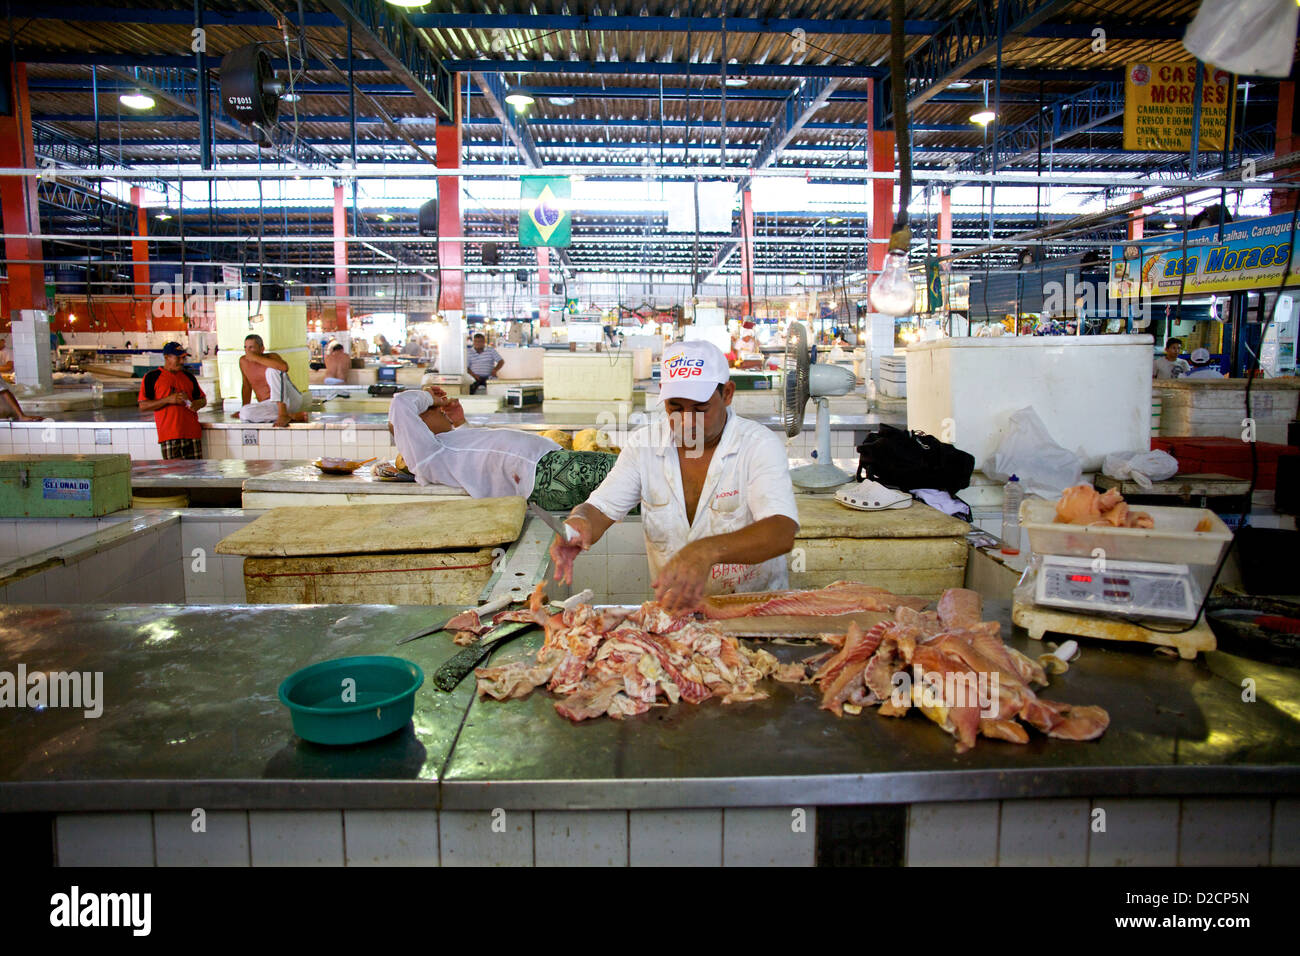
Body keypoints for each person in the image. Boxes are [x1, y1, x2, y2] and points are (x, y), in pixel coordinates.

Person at [548, 340, 800, 614]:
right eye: (675, 407)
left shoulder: (757, 445)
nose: (687, 420)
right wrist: (579, 522)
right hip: (676, 621)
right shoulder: (644, 445)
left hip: (750, 617)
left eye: (700, 408)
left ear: (727, 393)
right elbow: (599, 508)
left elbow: (781, 531)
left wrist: (707, 551)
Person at [387, 386, 617, 506]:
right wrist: (429, 397)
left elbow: (475, 456)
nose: (441, 408)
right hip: (549, 473)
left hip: (554, 465)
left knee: (639, 484)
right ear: (419, 425)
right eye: (434, 410)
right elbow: (400, 403)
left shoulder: (448, 447)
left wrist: (459, 421)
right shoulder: (428, 457)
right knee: (638, 474)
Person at [138, 341, 206, 458]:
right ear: (166, 357)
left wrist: (195, 404)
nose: (181, 362)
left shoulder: (188, 376)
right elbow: (143, 406)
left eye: (183, 358)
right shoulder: (152, 377)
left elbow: (202, 399)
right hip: (169, 435)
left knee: (197, 474)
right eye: (178, 358)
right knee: (174, 474)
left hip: (192, 434)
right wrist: (168, 400)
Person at [236, 334, 308, 426]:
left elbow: (284, 367)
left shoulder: (272, 357)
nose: (247, 351)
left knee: (272, 370)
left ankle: (283, 413)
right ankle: (290, 416)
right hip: (271, 404)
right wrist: (243, 407)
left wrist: (256, 358)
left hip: (290, 400)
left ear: (262, 349)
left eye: (251, 347)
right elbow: (246, 386)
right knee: (244, 413)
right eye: (245, 347)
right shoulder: (243, 361)